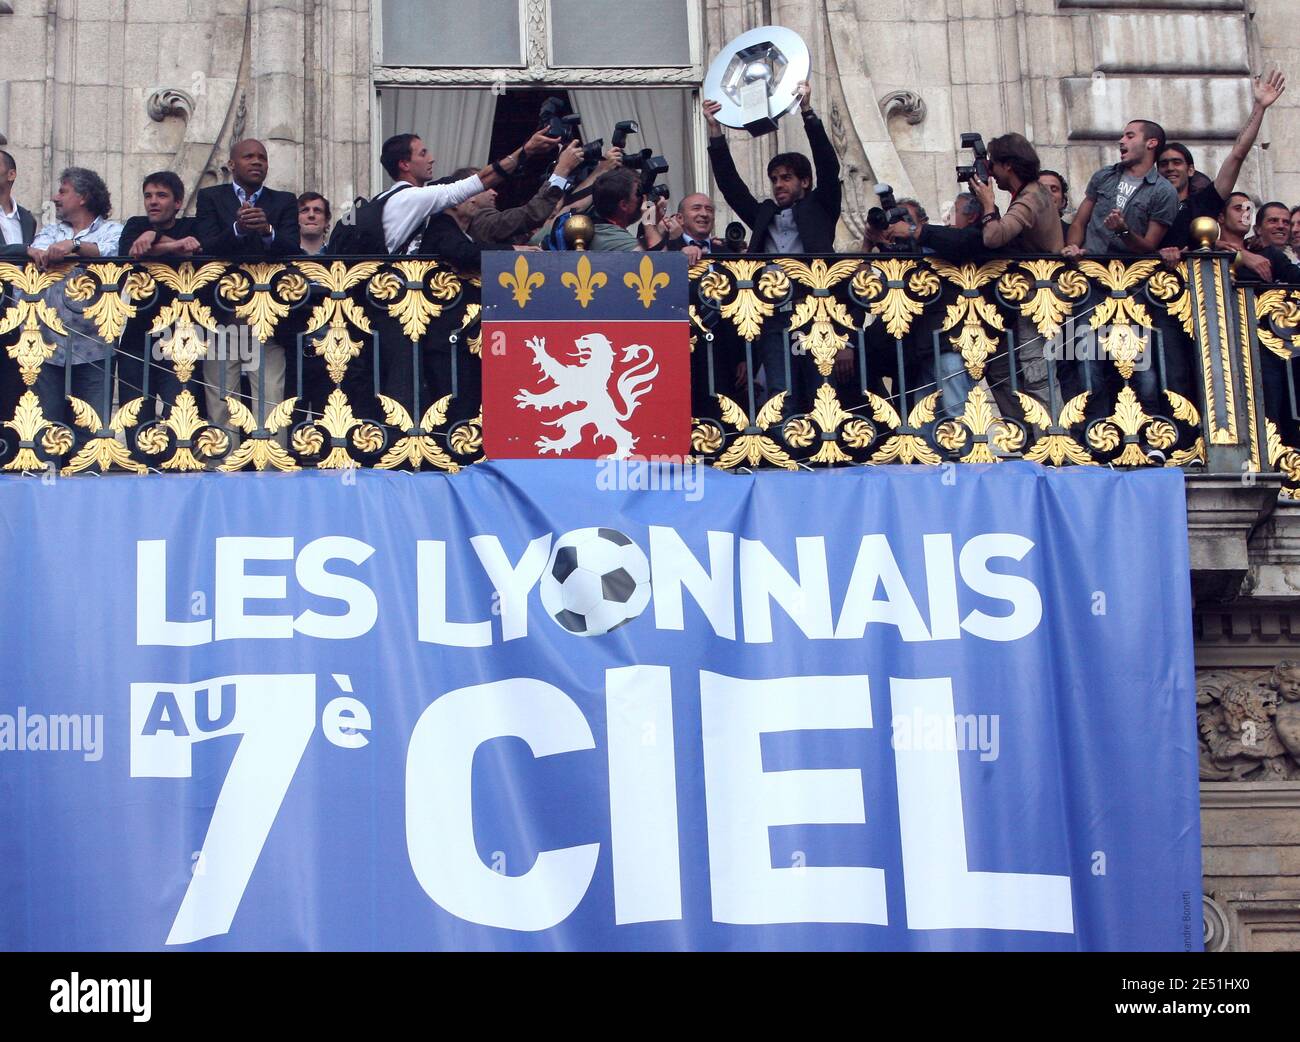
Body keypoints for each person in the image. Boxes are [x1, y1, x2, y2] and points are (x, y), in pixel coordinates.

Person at [703, 79, 840, 414]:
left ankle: (827, 456)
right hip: (773, 313)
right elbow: (732, 188)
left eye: (786, 178)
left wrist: (808, 112)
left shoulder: (821, 206)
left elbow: (828, 165)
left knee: (822, 386)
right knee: (781, 389)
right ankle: (787, 452)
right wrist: (715, 133)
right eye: (775, 178)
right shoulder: (765, 213)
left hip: (816, 311)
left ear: (804, 182)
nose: (779, 184)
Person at [193, 139, 301, 439]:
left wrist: (267, 231)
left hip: (268, 317)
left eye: (262, 158)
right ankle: (224, 467)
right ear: (232, 164)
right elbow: (206, 248)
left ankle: (272, 469)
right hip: (223, 315)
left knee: (270, 400)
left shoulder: (283, 201)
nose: (257, 162)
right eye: (249, 157)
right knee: (222, 401)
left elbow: (293, 248)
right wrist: (238, 229)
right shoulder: (211, 197)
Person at [25, 168, 123, 450]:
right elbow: (41, 252)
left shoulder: (112, 230)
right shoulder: (51, 231)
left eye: (63, 191)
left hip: (94, 344)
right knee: (47, 429)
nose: (56, 197)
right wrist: (41, 251)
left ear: (83, 197)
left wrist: (74, 246)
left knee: (91, 430)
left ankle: (88, 488)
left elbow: (111, 250)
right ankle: (47, 487)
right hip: (48, 344)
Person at [1157, 69, 1286, 253]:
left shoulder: (1203, 202)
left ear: (1191, 170)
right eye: (1163, 164)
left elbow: (1238, 154)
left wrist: (1259, 107)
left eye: (1177, 162)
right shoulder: (1149, 205)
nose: (1170, 168)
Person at [116, 171, 201, 433]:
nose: (153, 201)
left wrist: (152, 239)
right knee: (135, 412)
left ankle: (177, 470)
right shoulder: (135, 224)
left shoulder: (192, 226)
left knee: (179, 413)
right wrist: (161, 240)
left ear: (177, 203)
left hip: (181, 335)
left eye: (161, 195)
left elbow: (192, 248)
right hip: (137, 334)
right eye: (148, 196)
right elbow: (131, 250)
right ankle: (140, 467)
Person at [1062, 119, 1178, 258]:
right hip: (1088, 265)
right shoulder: (1104, 175)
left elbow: (1149, 246)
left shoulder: (1164, 191)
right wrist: (1073, 248)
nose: (1121, 141)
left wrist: (1123, 231)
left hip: (1129, 273)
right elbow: (1079, 222)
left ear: (1151, 143)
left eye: (1130, 136)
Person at [0, 150, 40, 431]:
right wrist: (23, 251)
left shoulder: (26, 218)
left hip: (17, 315)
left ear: (11, 175)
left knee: (11, 386)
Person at [588, 168, 645, 252]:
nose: (643, 199)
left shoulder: (602, 229)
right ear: (624, 205)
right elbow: (653, 261)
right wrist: (650, 221)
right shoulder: (608, 236)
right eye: (638, 193)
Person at [1038, 169, 1071, 240]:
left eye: (1054, 189)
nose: (1048, 193)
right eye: (1042, 189)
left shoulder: (1074, 234)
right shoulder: (1016, 234)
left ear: (1063, 201)